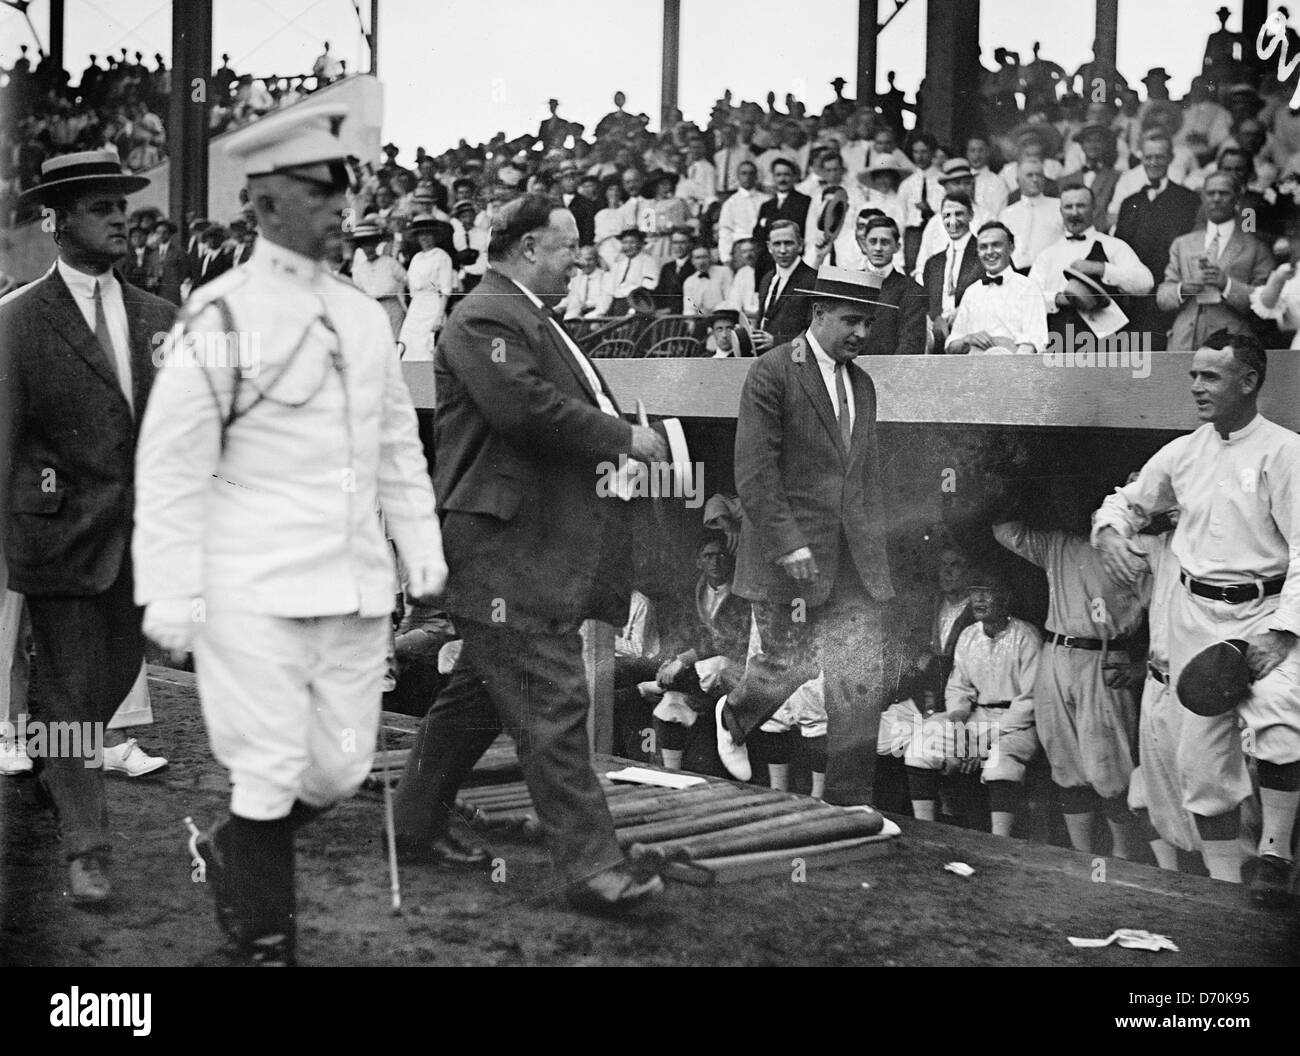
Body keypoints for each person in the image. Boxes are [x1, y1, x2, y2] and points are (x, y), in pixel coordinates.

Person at [133, 103, 447, 965]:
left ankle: (234, 847)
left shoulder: (359, 315)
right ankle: (268, 942)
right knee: (270, 768)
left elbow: (395, 447)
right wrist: (167, 588)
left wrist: (421, 550)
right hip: (253, 591)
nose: (338, 208)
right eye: (318, 191)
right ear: (266, 204)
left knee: (339, 771)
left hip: (349, 586)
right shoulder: (220, 318)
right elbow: (169, 464)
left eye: (342, 190)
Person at [389, 193, 671, 913]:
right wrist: (622, 438)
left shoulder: (526, 317)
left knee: (474, 699)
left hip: (519, 547)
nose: (579, 257)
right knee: (553, 699)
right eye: (565, 244)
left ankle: (412, 828)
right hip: (503, 550)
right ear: (522, 250)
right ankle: (593, 867)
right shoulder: (485, 314)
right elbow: (523, 409)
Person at [0, 148, 176, 902]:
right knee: (71, 691)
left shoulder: (160, 317)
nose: (119, 218)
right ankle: (88, 849)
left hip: (143, 542)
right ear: (57, 218)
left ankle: (48, 752)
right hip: (60, 536)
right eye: (101, 206)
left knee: (107, 679)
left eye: (122, 205)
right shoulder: (15, 320)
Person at [1093, 330, 1300, 903]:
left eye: (1210, 376)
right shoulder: (1184, 452)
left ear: (1250, 381)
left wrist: (1283, 633)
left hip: (1268, 613)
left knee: (1280, 721)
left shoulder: (1286, 451)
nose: (1197, 388)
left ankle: (1277, 859)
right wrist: (1111, 531)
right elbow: (1126, 501)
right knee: (1203, 773)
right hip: (1195, 620)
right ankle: (1226, 891)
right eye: (1193, 376)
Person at [721, 263, 898, 812]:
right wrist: (788, 543)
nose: (862, 335)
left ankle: (850, 806)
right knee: (784, 665)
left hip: (853, 560)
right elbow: (754, 472)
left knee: (857, 678)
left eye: (868, 323)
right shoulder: (772, 371)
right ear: (818, 313)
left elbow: (864, 477)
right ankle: (733, 717)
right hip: (789, 556)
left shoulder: (863, 384)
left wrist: (875, 555)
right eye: (851, 321)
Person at [995, 482, 1146, 859]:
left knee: (1111, 768)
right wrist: (1010, 480)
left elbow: (1164, 610)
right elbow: (1004, 530)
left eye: (1071, 497)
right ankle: (1083, 858)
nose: (1064, 507)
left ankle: (1123, 859)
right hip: (1057, 655)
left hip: (1105, 658)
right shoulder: (1054, 543)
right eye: (1058, 499)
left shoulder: (1125, 548)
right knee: (1066, 763)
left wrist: (1142, 663)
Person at [941, 568, 1043, 837]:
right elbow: (958, 687)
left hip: (1017, 724)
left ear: (1005, 599)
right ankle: (940, 832)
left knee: (998, 762)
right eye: (974, 593)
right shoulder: (968, 635)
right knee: (926, 747)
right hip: (978, 717)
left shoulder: (1026, 636)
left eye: (987, 594)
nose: (979, 600)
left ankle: (1000, 842)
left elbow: (1030, 700)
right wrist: (959, 723)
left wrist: (984, 741)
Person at [1156, 172, 1273, 349]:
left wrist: (1227, 285)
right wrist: (1182, 289)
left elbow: (1267, 303)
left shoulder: (1256, 248)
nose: (1216, 199)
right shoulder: (1182, 244)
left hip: (1231, 346)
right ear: (1203, 197)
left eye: (1224, 193)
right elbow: (1162, 297)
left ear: (1237, 198)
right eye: (1211, 193)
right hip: (1183, 342)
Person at [1027, 186, 1153, 338]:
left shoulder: (1114, 246)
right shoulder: (1047, 255)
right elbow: (1028, 298)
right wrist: (1059, 299)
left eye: (1081, 206)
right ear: (1061, 211)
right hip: (1061, 340)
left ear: (1094, 208)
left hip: (1107, 342)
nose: (1074, 213)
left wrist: (1101, 268)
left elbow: (1146, 283)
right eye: (1068, 207)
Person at [1112, 131, 1201, 346]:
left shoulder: (1187, 199)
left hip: (1170, 292)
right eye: (1148, 157)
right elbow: (1120, 247)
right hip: (1135, 296)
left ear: (1170, 158)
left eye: (1159, 157)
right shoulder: (1130, 202)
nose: (1153, 162)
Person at [945, 222, 1048, 354]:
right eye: (983, 247)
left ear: (1011, 248)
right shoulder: (972, 292)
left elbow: (1034, 341)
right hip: (974, 370)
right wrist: (967, 339)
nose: (989, 252)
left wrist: (1008, 368)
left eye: (996, 245)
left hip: (1014, 369)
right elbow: (951, 346)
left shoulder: (1029, 288)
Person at [858, 215, 927, 355]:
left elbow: (910, 344)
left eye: (885, 242)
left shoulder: (912, 291)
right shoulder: (848, 284)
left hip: (889, 372)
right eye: (873, 242)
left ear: (897, 247)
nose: (878, 248)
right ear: (864, 245)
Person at [920, 192, 982, 344]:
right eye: (947, 215)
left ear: (971, 216)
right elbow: (929, 305)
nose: (952, 221)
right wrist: (935, 319)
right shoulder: (933, 263)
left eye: (959, 214)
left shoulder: (985, 255)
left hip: (974, 333)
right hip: (939, 338)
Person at [751, 219, 815, 351]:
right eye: (777, 244)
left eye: (788, 243)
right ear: (769, 247)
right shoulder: (767, 279)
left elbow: (816, 333)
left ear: (800, 245)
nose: (782, 250)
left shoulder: (813, 280)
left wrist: (776, 341)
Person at [398, 215, 455, 361]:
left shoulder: (442, 256)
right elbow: (411, 288)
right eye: (421, 234)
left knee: (427, 349)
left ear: (435, 236)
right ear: (417, 237)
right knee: (409, 347)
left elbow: (445, 290)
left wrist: (439, 316)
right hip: (416, 308)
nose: (425, 238)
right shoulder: (416, 258)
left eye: (428, 234)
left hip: (433, 307)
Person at [999, 158, 1064, 272]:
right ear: (1018, 181)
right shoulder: (1007, 214)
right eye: (1029, 175)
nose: (1035, 179)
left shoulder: (1059, 207)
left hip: (1051, 272)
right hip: (1017, 276)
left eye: (1039, 175)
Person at [751, 157, 810, 281]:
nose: (782, 179)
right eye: (778, 175)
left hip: (793, 259)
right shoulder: (767, 205)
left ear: (794, 177)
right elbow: (757, 235)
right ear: (773, 177)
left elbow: (797, 229)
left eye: (786, 175)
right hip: (769, 262)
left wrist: (767, 223)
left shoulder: (804, 202)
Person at [349, 222, 407, 337]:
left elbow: (408, 281)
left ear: (376, 244)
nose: (368, 249)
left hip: (391, 306)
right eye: (364, 245)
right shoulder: (359, 270)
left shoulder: (390, 263)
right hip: (372, 309)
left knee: (395, 341)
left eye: (370, 244)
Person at [718, 160, 769, 262]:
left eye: (751, 173)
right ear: (738, 176)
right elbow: (725, 231)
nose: (747, 177)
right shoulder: (731, 203)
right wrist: (726, 258)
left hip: (762, 247)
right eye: (744, 173)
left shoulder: (766, 200)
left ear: (756, 176)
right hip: (740, 247)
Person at [609, 228, 659, 314]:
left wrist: (635, 307)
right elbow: (610, 286)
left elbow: (648, 286)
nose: (628, 246)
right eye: (625, 242)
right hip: (617, 303)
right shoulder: (618, 263)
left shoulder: (648, 261)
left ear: (640, 244)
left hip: (636, 303)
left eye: (632, 242)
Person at [561, 244, 614, 319]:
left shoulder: (605, 277)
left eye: (589, 259)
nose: (586, 263)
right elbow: (571, 297)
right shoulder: (577, 276)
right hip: (578, 312)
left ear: (596, 260)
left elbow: (605, 302)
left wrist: (589, 316)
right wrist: (560, 307)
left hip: (596, 313)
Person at [681, 245, 732, 316]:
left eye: (704, 257)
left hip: (723, 316)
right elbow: (689, 308)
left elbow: (730, 299)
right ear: (692, 261)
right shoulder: (689, 282)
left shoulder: (724, 272)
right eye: (697, 258)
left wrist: (713, 312)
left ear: (710, 258)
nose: (702, 261)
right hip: (701, 319)